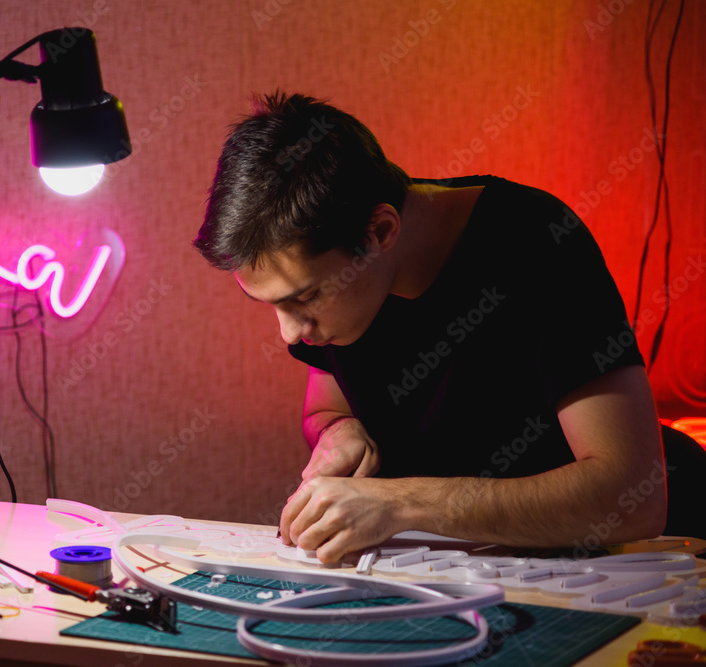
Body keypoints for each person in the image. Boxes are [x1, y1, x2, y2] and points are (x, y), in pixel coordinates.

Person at [193, 92, 681, 563]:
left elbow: (631, 497)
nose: (289, 334)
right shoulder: (343, 276)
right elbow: (326, 404)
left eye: (305, 297)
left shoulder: (535, 243)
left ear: (380, 233)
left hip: (640, 562)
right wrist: (338, 431)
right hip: (476, 571)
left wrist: (402, 503)